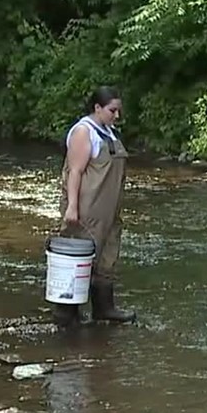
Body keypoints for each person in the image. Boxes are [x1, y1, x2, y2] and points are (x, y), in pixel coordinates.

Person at [53, 85, 137, 327]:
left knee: (106, 258)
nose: (117, 116)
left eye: (119, 111)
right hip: (86, 209)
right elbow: (75, 172)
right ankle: (67, 314)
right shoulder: (83, 132)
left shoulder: (108, 132)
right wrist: (72, 207)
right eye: (112, 111)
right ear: (97, 108)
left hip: (109, 211)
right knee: (79, 259)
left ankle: (104, 308)